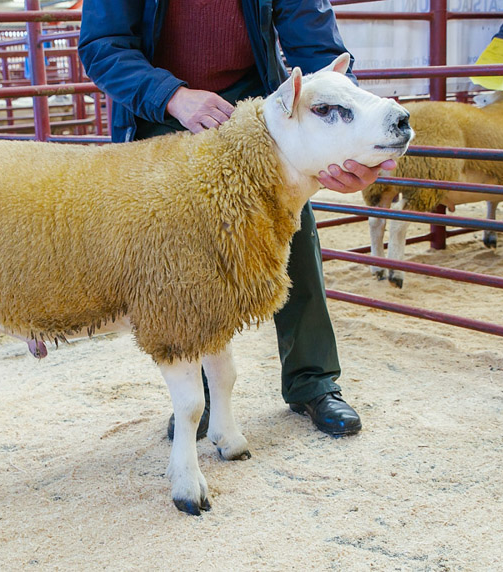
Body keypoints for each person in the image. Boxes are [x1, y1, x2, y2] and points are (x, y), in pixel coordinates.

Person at [78, 0, 397, 438]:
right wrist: (171, 95)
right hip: (162, 111)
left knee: (288, 235)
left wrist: (352, 127)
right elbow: (102, 45)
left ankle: (313, 378)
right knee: (181, 268)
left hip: (254, 110)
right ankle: (199, 393)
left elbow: (317, 46)